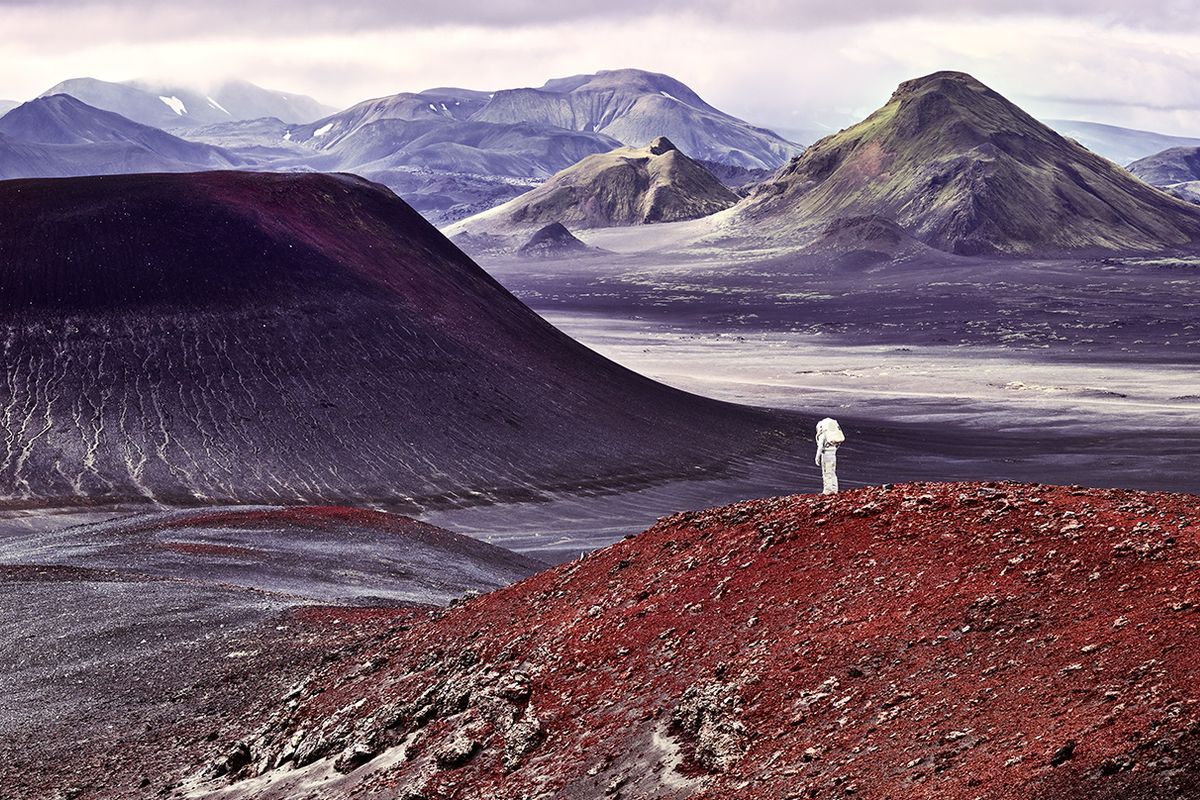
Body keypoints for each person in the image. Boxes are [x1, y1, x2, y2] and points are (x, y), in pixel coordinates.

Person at [814, 417, 844, 494]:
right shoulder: (832, 436)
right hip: (833, 454)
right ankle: (834, 489)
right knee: (833, 472)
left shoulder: (823, 434)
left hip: (826, 455)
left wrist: (817, 457)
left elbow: (820, 446)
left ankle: (827, 491)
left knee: (827, 472)